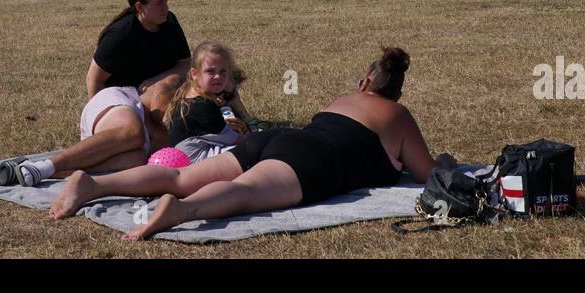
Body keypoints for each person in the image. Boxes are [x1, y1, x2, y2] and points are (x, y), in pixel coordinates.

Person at [46, 46, 457, 239]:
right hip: (313, 161)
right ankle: (183, 211)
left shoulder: (344, 99)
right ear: (395, 91)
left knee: (176, 173)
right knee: (242, 194)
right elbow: (427, 175)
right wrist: (446, 160)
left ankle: (93, 184)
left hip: (279, 140)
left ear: (365, 81)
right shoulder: (398, 115)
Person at [0, 0, 190, 186]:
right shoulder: (121, 34)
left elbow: (186, 63)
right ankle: (50, 164)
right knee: (133, 133)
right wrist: (100, 122)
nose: (166, 8)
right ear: (140, 6)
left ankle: (45, 170)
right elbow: (93, 78)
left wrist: (155, 80)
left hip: (147, 105)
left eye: (167, 1)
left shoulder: (169, 22)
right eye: (160, 3)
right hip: (115, 98)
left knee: (139, 159)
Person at [163, 41, 253, 163]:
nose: (218, 76)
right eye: (211, 71)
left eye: (223, 71)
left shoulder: (187, 97)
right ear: (194, 74)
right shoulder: (203, 106)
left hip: (190, 157)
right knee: (257, 147)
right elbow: (239, 141)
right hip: (198, 164)